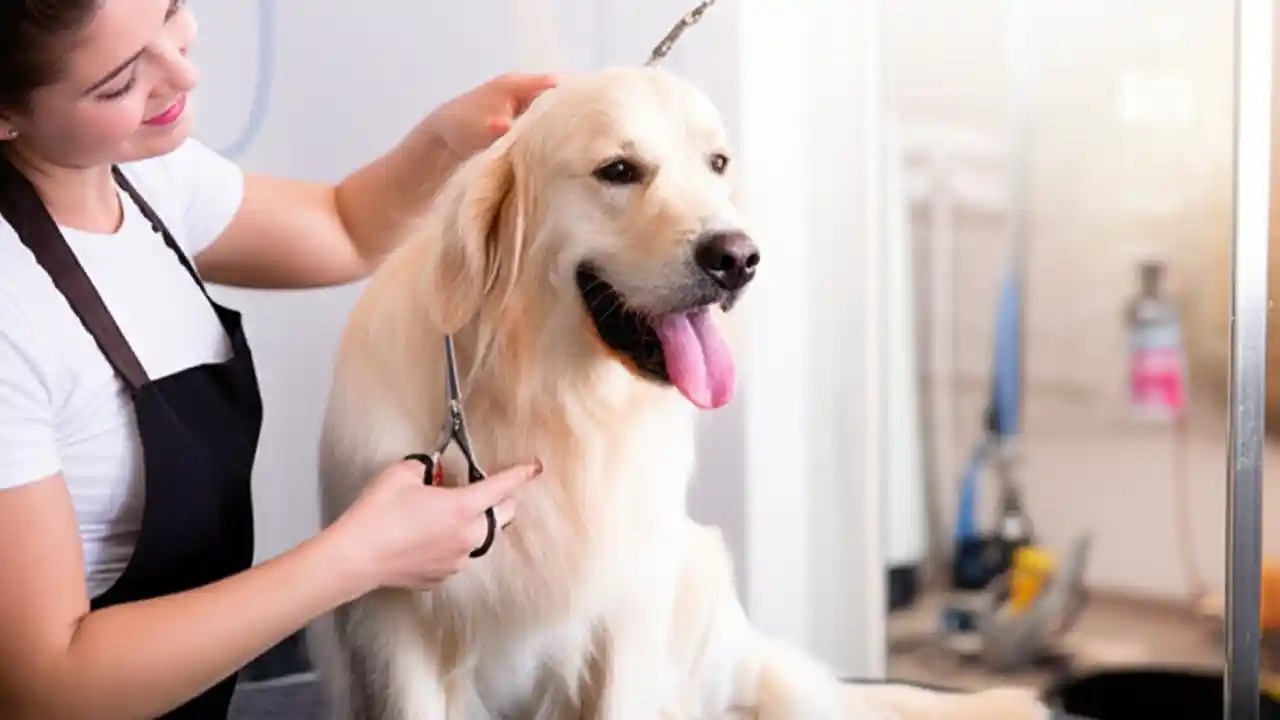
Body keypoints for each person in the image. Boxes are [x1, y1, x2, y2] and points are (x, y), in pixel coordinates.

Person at [0, 1, 556, 718]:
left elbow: (343, 227)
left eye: (171, 12)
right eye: (119, 84)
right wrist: (360, 555)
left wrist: (449, 138)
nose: (184, 73)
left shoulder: (143, 176)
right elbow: (47, 686)